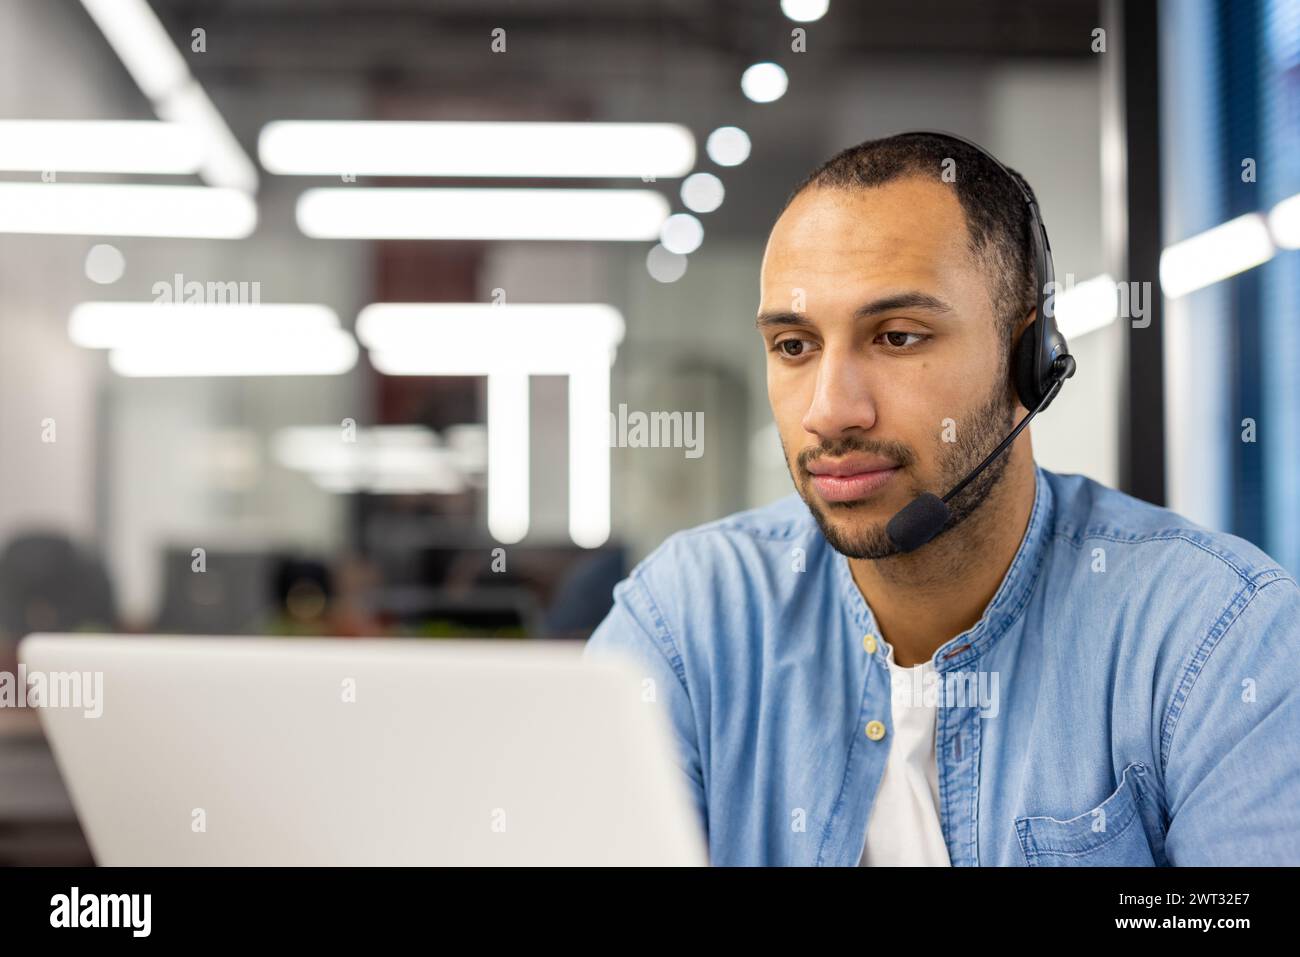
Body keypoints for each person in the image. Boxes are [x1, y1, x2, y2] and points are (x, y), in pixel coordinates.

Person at [582, 132, 1300, 866]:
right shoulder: (685, 620)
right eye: (795, 346)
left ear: (1032, 361)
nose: (830, 411)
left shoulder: (1220, 639)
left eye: (896, 336)